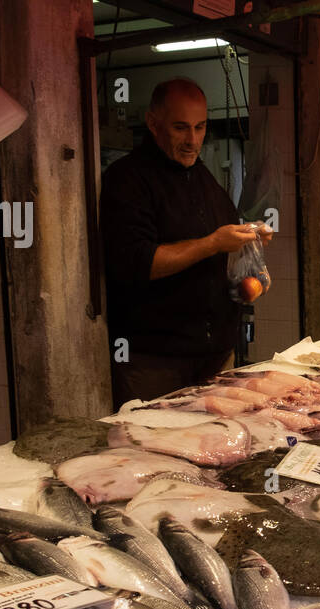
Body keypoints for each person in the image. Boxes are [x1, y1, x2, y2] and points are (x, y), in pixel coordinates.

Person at [102, 77, 274, 410]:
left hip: (214, 354)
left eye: (200, 127)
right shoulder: (127, 179)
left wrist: (247, 236)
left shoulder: (204, 178)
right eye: (181, 128)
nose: (192, 140)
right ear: (153, 123)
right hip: (154, 361)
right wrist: (212, 243)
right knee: (151, 449)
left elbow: (222, 241)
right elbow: (137, 261)